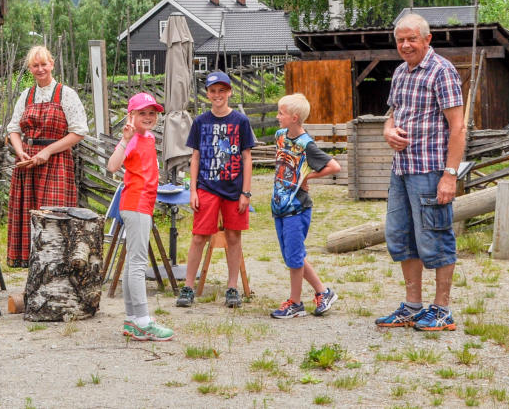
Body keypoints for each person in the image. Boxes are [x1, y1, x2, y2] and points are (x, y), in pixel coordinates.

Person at [377, 13, 466, 332]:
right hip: (401, 170)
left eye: (412, 38)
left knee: (436, 237)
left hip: (431, 171)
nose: (405, 45)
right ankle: (413, 306)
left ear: (428, 39)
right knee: (401, 238)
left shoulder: (442, 71)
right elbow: (392, 115)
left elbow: (459, 127)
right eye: (400, 39)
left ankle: (442, 310)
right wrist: (388, 131)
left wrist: (450, 174)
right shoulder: (401, 72)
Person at [175, 70, 255, 309]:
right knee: (199, 236)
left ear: (229, 92)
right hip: (207, 187)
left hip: (234, 188)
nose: (217, 95)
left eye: (222, 90)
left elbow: (247, 157)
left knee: (233, 237)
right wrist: (193, 190)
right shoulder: (201, 122)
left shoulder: (240, 121)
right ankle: (188, 287)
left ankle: (232, 288)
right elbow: (196, 157)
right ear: (207, 94)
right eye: (213, 91)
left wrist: (246, 192)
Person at [5, 45, 88, 267]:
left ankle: (56, 266)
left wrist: (48, 151)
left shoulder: (66, 94)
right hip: (28, 163)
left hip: (56, 162)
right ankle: (32, 267)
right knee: (28, 216)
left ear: (52, 64)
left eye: (44, 64)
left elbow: (79, 131)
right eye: (35, 65)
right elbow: (13, 129)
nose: (40, 69)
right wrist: (19, 149)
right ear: (30, 69)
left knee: (52, 215)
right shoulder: (27, 95)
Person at [106, 92, 175, 341]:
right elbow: (113, 166)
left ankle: (133, 319)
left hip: (141, 205)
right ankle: (143, 321)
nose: (148, 117)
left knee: (132, 262)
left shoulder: (146, 137)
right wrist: (124, 140)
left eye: (152, 113)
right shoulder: (132, 138)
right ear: (131, 115)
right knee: (137, 263)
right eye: (142, 112)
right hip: (135, 204)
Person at [268, 93, 341, 319]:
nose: (278, 116)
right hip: (280, 205)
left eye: (281, 113)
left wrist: (307, 178)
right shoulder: (280, 136)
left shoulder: (306, 144)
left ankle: (296, 303)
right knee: (293, 255)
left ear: (294, 117)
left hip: (297, 208)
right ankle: (323, 292)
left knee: (294, 256)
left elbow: (334, 166)